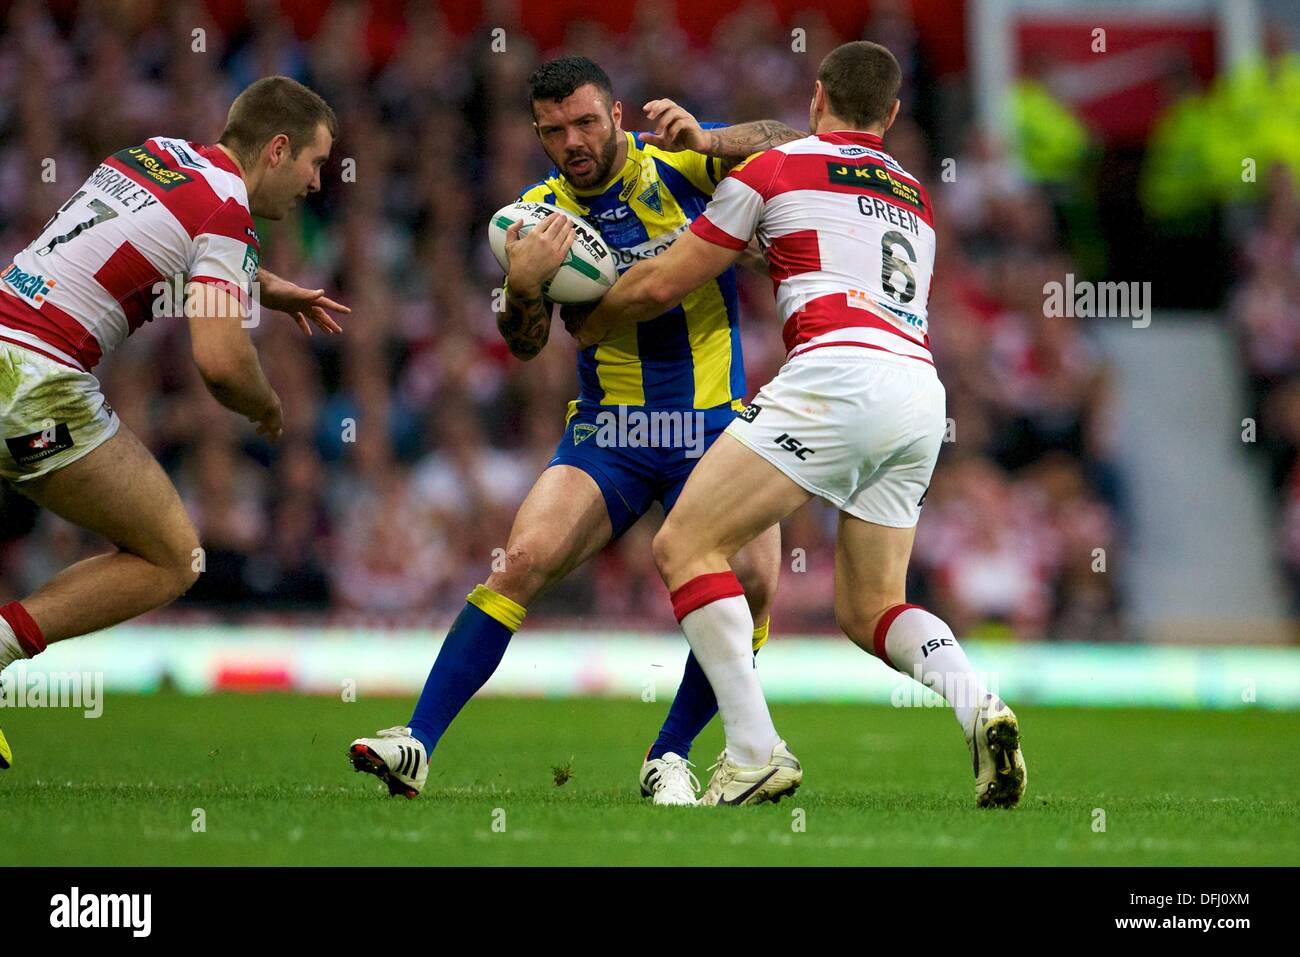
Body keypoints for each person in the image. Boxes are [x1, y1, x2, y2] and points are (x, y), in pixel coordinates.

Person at [570, 41, 1028, 807]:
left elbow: (662, 285)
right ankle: (979, 704)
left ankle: (753, 750)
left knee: (684, 543)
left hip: (834, 375)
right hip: (918, 392)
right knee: (872, 604)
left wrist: (587, 318)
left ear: (816, 98)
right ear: (891, 114)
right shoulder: (914, 194)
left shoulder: (778, 167)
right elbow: (803, 248)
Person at [348, 56, 804, 803]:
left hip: (713, 426)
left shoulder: (687, 158)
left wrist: (719, 142)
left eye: (586, 121)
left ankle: (670, 754)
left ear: (618, 114)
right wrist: (521, 288)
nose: (573, 140)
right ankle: (417, 743)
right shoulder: (535, 218)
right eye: (554, 130)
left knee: (754, 582)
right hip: (611, 431)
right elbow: (528, 344)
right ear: (538, 134)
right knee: (520, 558)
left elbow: (793, 146)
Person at [0, 75, 350, 770]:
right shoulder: (227, 212)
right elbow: (220, 362)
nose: (316, 184)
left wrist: (264, 284)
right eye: (315, 164)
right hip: (34, 386)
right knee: (173, 554)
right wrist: (268, 405)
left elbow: (140, 239)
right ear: (277, 150)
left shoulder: (157, 155)